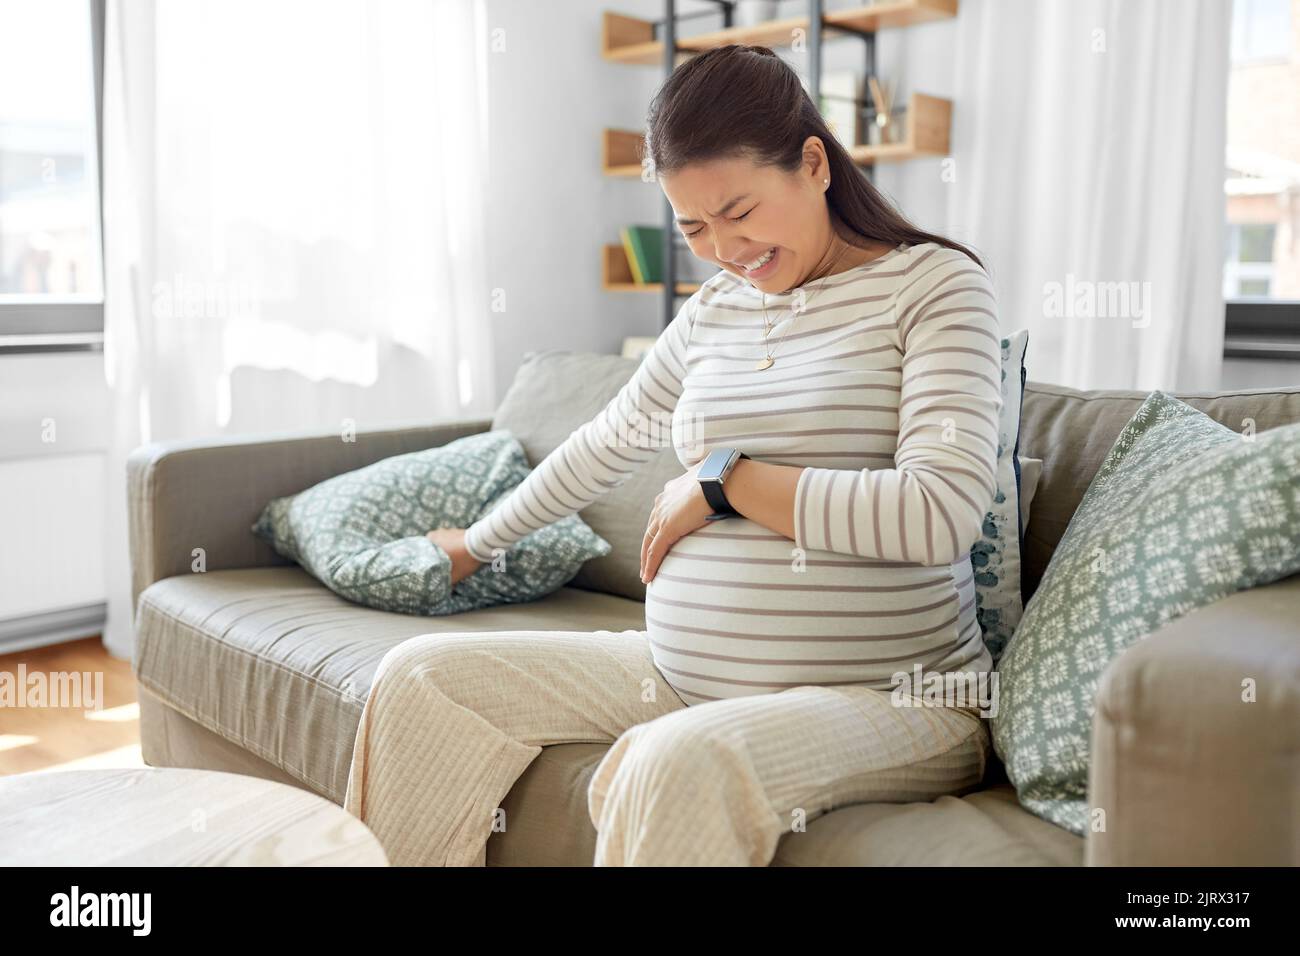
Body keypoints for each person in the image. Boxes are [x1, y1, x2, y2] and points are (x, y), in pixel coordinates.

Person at [344, 44, 1003, 867]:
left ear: (812, 163)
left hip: (897, 697)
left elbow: (937, 514)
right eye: (694, 226)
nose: (725, 248)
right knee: (419, 681)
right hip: (683, 673)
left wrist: (724, 483)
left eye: (739, 211)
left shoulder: (935, 288)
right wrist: (475, 548)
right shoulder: (715, 310)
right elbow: (605, 443)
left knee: (675, 761)